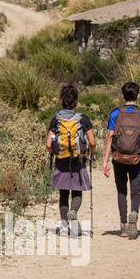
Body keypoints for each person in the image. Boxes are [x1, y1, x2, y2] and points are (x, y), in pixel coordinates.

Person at [102, 81, 140, 239]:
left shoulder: (115, 113)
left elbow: (110, 137)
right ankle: (134, 214)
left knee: (121, 191)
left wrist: (105, 161)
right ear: (137, 95)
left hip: (118, 158)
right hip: (137, 158)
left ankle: (123, 226)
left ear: (123, 95)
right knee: (135, 191)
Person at [46, 83, 94, 237]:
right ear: (76, 101)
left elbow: (48, 144)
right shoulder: (83, 119)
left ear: (62, 100)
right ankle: (73, 212)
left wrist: (54, 152)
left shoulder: (56, 119)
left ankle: (64, 226)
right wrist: (91, 152)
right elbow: (92, 142)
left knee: (63, 193)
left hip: (61, 160)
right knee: (77, 191)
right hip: (78, 160)